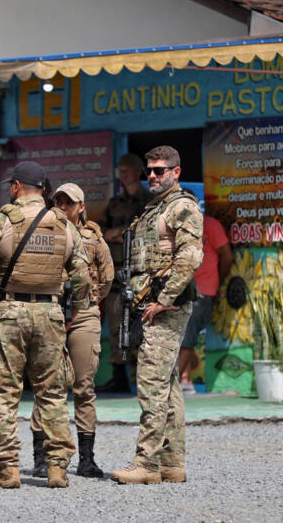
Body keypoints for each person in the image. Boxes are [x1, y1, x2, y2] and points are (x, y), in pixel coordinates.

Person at [0, 161, 91, 489]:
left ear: (17, 187)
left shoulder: (2, 221)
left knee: (4, 391)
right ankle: (57, 469)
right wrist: (74, 310)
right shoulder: (64, 225)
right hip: (50, 313)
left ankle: (8, 469)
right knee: (52, 392)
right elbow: (81, 274)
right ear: (45, 189)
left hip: (9, 311)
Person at [110, 145, 203, 486]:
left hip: (164, 307)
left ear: (176, 172)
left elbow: (191, 256)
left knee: (150, 383)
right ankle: (171, 464)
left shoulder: (182, 207)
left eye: (159, 170)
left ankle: (146, 463)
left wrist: (164, 298)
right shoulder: (154, 208)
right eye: (149, 170)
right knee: (167, 385)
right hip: (149, 304)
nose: (152, 175)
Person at [29, 183, 113, 479]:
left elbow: (108, 275)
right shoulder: (42, 230)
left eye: (69, 202)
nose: (63, 206)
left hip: (83, 316)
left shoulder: (93, 236)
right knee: (47, 387)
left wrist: (89, 301)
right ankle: (41, 457)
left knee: (84, 387)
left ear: (81, 206)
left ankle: (86, 458)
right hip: (51, 310)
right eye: (59, 201)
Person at [98, 153, 153, 394]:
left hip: (142, 271)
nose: (123, 173)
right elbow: (102, 230)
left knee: (142, 325)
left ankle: (145, 378)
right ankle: (120, 377)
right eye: (120, 169)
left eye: (127, 169)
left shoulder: (149, 200)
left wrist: (122, 232)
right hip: (118, 272)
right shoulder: (115, 203)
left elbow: (147, 229)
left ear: (137, 172)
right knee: (116, 324)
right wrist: (115, 233)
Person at [177, 215, 232, 393]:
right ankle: (185, 380)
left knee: (187, 337)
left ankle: (168, 382)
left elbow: (227, 256)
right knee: (178, 336)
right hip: (178, 289)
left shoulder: (210, 224)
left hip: (202, 288)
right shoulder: (176, 225)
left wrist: (218, 282)